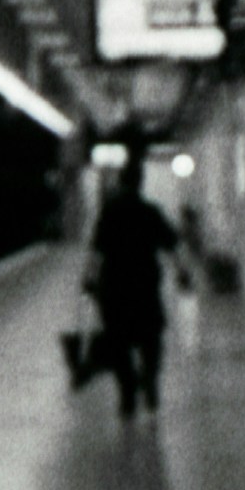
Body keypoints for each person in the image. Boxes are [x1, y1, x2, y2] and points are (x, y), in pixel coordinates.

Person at [85, 159, 181, 418]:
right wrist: (182, 272)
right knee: (152, 337)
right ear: (140, 182)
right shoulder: (150, 211)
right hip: (145, 286)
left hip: (114, 287)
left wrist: (89, 279)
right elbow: (171, 244)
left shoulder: (110, 212)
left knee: (118, 341)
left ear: (121, 181)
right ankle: (150, 378)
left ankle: (127, 393)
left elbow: (97, 250)